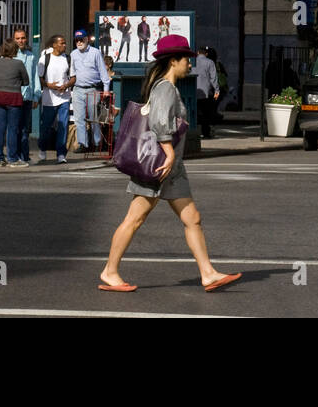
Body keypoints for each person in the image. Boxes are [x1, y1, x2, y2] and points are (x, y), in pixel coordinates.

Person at [98, 34, 241, 293]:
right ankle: (109, 271)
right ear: (173, 60)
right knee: (134, 219)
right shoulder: (164, 87)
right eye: (186, 58)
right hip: (160, 167)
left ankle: (208, 274)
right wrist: (169, 151)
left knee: (193, 219)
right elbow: (159, 121)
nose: (190, 63)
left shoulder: (165, 86)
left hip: (171, 170)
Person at [70, 29, 112, 154]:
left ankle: (97, 142)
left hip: (92, 89)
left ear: (87, 39)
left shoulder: (95, 52)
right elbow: (72, 72)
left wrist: (106, 89)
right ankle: (83, 143)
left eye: (81, 39)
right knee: (79, 119)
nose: (79, 42)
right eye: (77, 40)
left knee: (94, 118)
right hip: (78, 89)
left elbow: (102, 71)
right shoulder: (73, 54)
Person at [0, 40, 30, 167]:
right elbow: (26, 81)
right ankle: (12, 158)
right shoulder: (18, 63)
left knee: (0, 128)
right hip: (13, 97)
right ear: (15, 50)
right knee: (12, 129)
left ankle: (0, 158)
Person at [37, 34, 74, 164]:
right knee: (46, 126)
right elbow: (40, 78)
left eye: (64, 43)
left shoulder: (68, 59)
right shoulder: (45, 58)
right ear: (54, 45)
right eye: (61, 43)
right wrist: (49, 85)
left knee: (63, 126)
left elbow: (73, 77)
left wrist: (67, 85)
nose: (64, 45)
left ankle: (61, 154)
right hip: (49, 99)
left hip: (64, 98)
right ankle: (42, 148)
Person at [13, 28, 39, 163]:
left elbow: (35, 77)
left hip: (27, 97)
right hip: (14, 97)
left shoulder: (31, 56)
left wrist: (36, 96)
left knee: (25, 129)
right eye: (17, 38)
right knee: (15, 128)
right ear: (14, 40)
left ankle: (25, 155)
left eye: (22, 38)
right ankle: (15, 155)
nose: (20, 41)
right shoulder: (11, 56)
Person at [194, 45, 220, 139]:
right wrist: (217, 90)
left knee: (195, 113)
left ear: (197, 52)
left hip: (194, 93)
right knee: (206, 114)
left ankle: (193, 132)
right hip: (206, 93)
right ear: (206, 53)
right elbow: (213, 78)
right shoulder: (210, 62)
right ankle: (205, 133)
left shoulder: (193, 62)